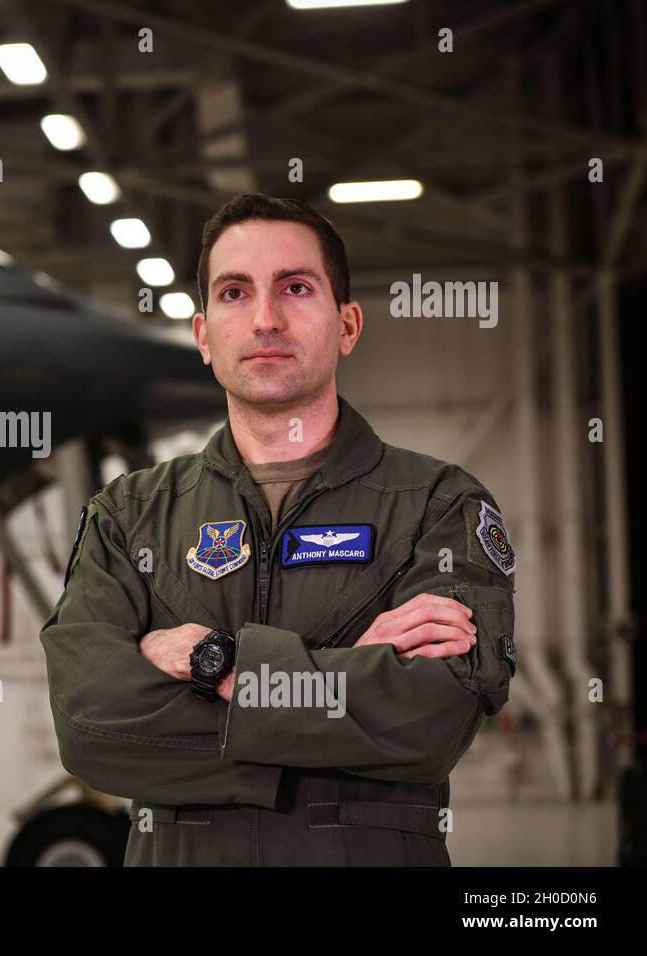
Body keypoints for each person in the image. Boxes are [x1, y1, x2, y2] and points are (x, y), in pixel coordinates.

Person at [40, 193, 516, 866]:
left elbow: (430, 719)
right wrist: (343, 689)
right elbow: (90, 725)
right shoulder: (127, 516)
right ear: (203, 336)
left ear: (347, 324)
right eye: (235, 293)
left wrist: (216, 662)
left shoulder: (438, 506)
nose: (266, 319)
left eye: (296, 287)